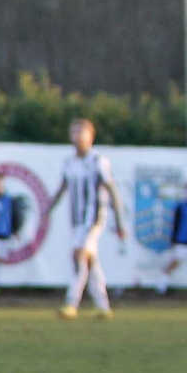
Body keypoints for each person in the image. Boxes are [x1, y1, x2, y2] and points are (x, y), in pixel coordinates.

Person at [47, 118, 126, 319]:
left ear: (91, 136)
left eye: (81, 132)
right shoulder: (69, 163)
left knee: (78, 255)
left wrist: (119, 221)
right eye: (74, 132)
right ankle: (103, 306)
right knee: (90, 262)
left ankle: (71, 303)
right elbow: (62, 188)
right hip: (77, 221)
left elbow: (112, 189)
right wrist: (48, 209)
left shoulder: (97, 161)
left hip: (93, 219)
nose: (77, 136)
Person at [158, 182, 187, 293]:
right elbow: (175, 224)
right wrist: (173, 239)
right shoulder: (181, 207)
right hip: (183, 241)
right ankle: (162, 284)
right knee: (175, 263)